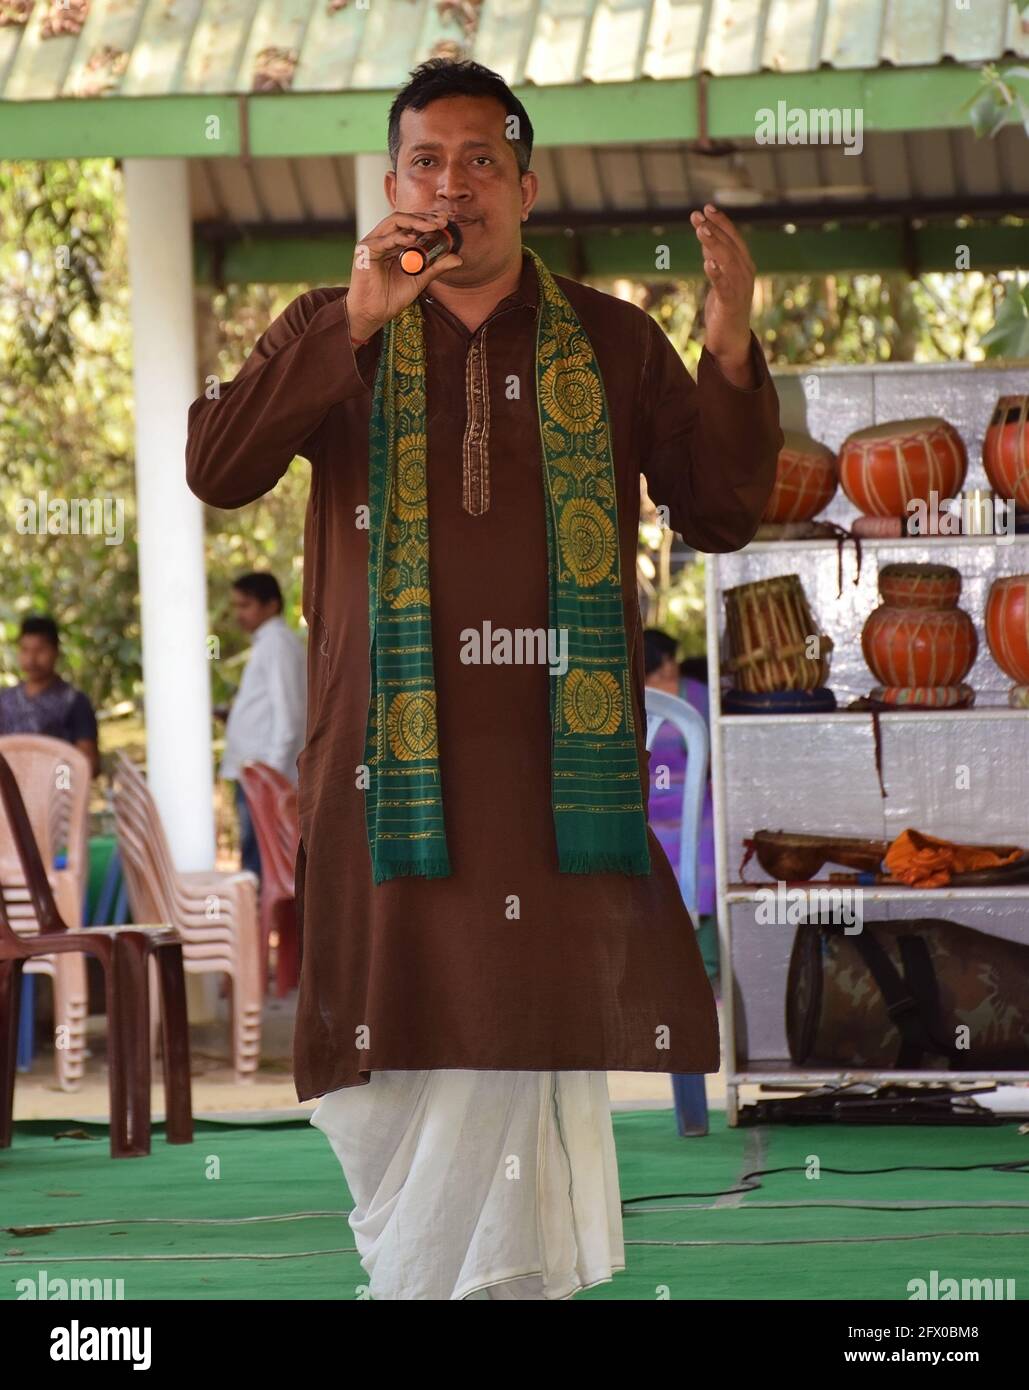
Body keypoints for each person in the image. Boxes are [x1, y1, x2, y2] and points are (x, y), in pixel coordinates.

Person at [186, 58, 782, 1299]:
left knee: (521, 1032)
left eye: (479, 162)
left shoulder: (615, 341)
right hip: (382, 765)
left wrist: (726, 352)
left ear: (524, 182)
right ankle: (420, 1273)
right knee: (385, 1067)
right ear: (393, 183)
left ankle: (503, 1286)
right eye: (425, 162)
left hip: (548, 776)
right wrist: (347, 323)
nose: (452, 186)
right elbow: (219, 466)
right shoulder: (332, 327)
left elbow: (721, 511)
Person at [218, 573, 307, 883]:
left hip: (267, 775)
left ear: (271, 605)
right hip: (257, 773)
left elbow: (290, 716)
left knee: (259, 865)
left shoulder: (277, 644)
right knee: (255, 857)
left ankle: (253, 925)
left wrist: (272, 775)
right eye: (236, 606)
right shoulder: (267, 644)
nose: (240, 613)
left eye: (247, 605)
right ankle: (251, 922)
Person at [643, 632, 719, 987]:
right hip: (644, 802)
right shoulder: (624, 696)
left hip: (693, 798)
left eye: (672, 659)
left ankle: (707, 969)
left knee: (708, 844)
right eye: (661, 664)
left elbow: (716, 754)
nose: (670, 667)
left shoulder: (697, 694)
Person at [0, 615, 99, 776]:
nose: (31, 660)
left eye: (40, 650)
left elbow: (89, 765)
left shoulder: (74, 701)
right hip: (7, 795)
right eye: (25, 650)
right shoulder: (5, 700)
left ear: (56, 652)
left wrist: (57, 779)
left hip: (57, 793)